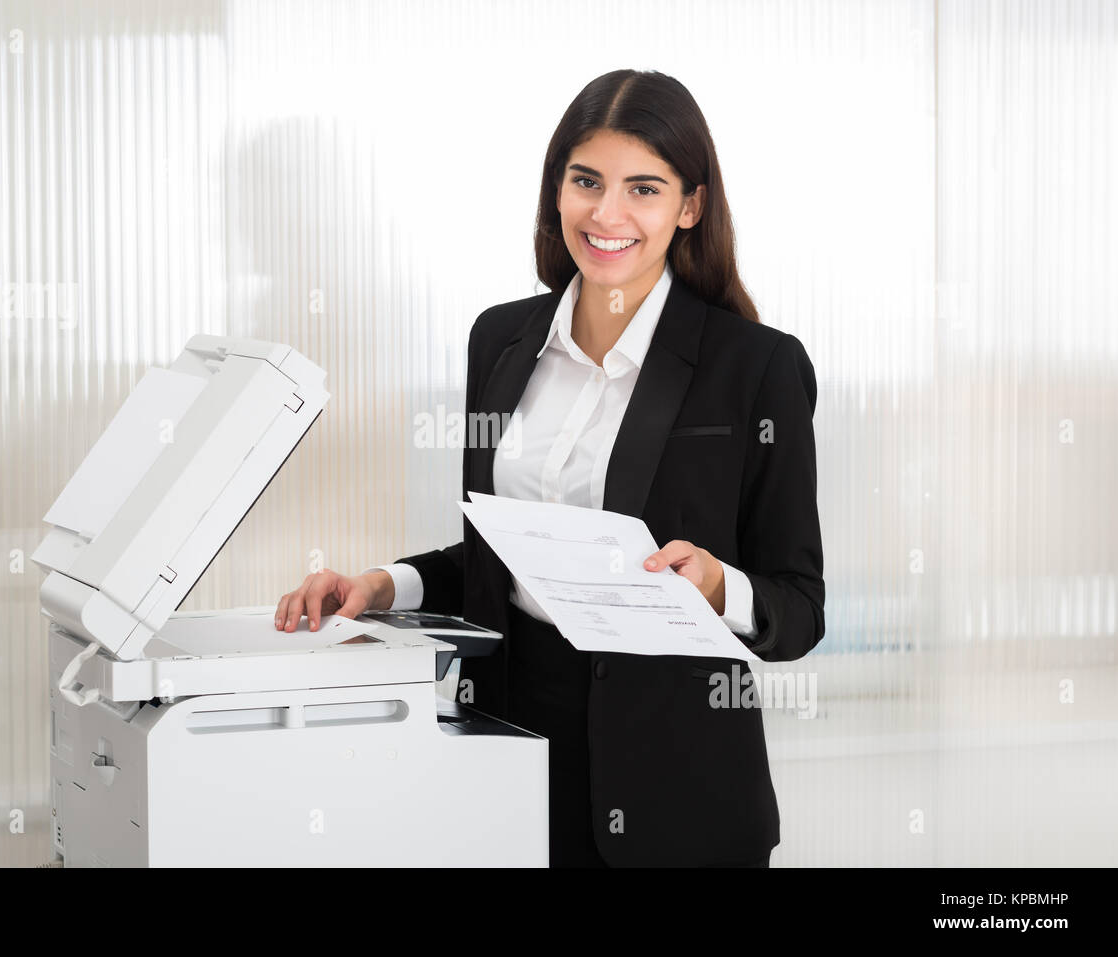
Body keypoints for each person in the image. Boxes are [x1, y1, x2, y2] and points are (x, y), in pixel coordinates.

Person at [274, 68, 825, 867]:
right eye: (586, 181)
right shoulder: (500, 341)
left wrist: (716, 586)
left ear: (690, 206)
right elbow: (504, 557)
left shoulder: (755, 367)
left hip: (679, 797)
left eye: (644, 188)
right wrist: (384, 586)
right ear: (556, 190)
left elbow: (799, 606)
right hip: (512, 765)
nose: (607, 214)